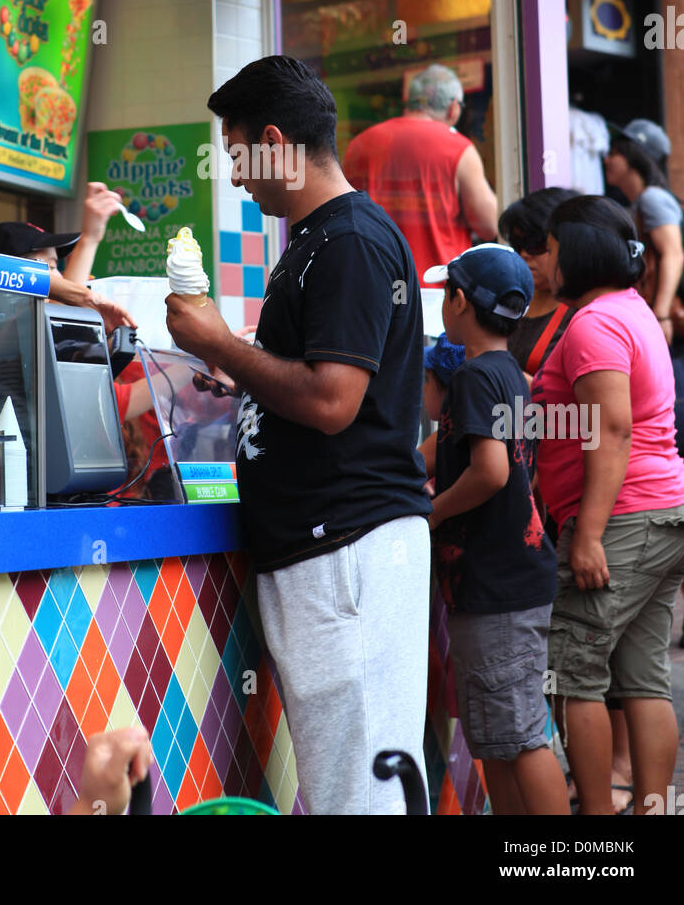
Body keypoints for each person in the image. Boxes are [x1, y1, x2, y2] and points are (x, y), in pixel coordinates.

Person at [166, 55, 432, 815]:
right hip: (324, 547)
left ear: (274, 139)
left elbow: (333, 401)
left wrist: (220, 343)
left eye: (238, 154)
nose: (238, 179)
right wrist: (238, 373)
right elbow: (313, 382)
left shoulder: (347, 240)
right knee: (343, 783)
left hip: (347, 545)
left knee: (360, 793)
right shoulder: (315, 240)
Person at [531, 196, 684, 816]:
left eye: (552, 249)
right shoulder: (632, 310)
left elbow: (611, 430)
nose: (546, 262)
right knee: (642, 680)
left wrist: (588, 533)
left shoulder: (595, 323)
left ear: (579, 254)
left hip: (622, 521)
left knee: (572, 677)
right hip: (660, 512)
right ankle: (649, 813)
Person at [420, 244, 569, 816]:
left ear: (459, 302)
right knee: (501, 741)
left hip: (498, 586)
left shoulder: (474, 377)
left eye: (445, 292)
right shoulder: (507, 372)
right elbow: (451, 453)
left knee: (523, 739)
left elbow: (491, 471)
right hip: (506, 582)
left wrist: (434, 512)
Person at [342, 63, 498, 283]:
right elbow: (490, 225)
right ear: (453, 108)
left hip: (373, 286)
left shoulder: (359, 145)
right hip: (438, 290)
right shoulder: (459, 149)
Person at [0, 191, 135, 334]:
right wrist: (89, 239)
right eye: (49, 267)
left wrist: (91, 237)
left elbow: (60, 308)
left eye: (56, 267)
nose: (60, 278)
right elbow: (59, 308)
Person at [603, 120, 684, 346]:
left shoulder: (652, 199)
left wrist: (661, 315)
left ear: (636, 156)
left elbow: (673, 254)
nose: (606, 160)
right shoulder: (638, 202)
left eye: (615, 153)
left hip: (668, 319)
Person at [499, 188, 579, 383]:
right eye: (518, 244)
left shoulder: (582, 313)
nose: (525, 253)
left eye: (536, 243)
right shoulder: (509, 297)